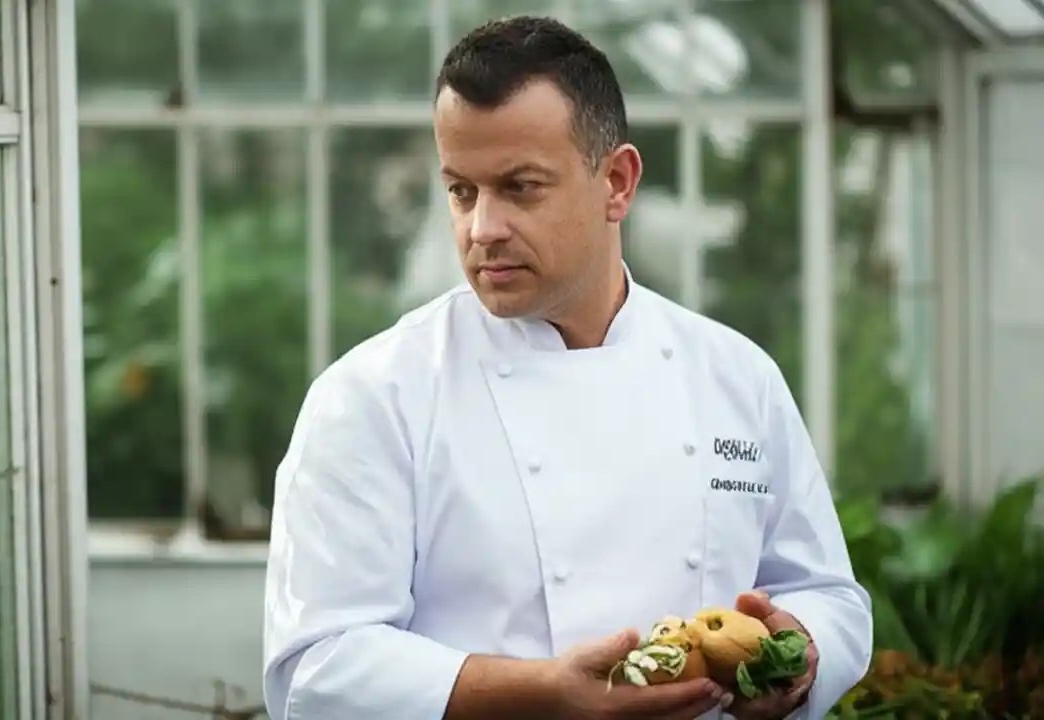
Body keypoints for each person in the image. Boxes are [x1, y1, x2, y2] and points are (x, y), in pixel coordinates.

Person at [262, 15, 871, 720]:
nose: (481, 228)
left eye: (520, 187)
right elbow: (318, 666)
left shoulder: (737, 377)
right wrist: (545, 694)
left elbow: (829, 596)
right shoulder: (371, 398)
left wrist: (798, 657)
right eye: (461, 191)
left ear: (617, 181)